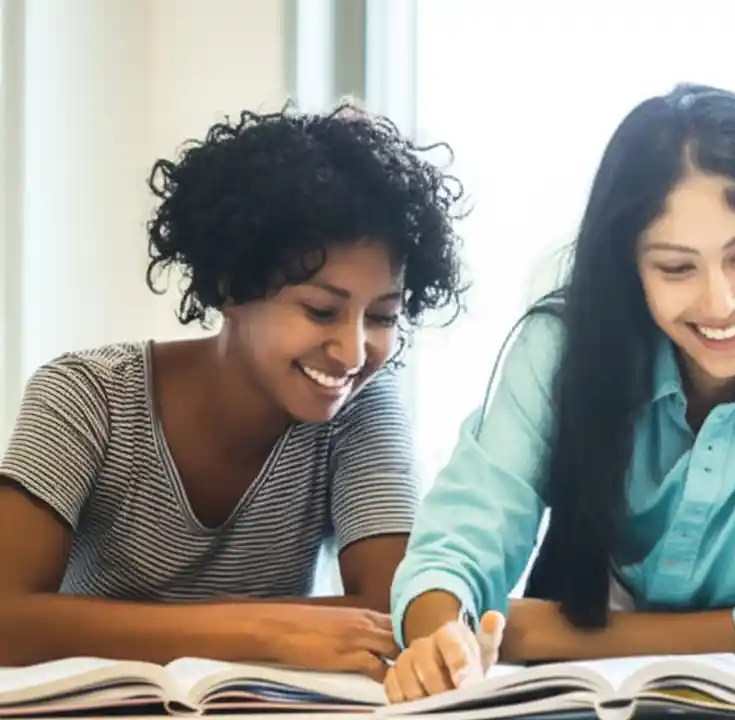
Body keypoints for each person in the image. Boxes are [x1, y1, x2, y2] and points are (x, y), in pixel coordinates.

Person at [385, 84, 735, 701]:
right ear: (629, 268)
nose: (721, 302)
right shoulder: (561, 343)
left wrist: (542, 633)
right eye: (677, 268)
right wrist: (442, 635)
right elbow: (462, 536)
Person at [0, 103, 465, 679]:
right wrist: (259, 632)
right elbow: (7, 621)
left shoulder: (361, 407)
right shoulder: (87, 396)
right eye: (321, 310)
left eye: (382, 317)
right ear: (230, 285)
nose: (351, 351)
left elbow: (392, 611)